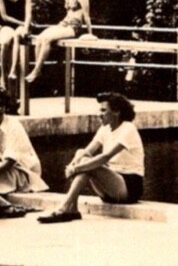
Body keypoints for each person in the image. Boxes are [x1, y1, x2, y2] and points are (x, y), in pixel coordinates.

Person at [36, 91, 144, 223]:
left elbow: (106, 156)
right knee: (81, 154)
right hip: (110, 186)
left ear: (117, 112)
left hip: (129, 187)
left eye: (104, 110)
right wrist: (73, 164)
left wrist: (76, 169)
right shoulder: (105, 129)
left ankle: (64, 207)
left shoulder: (128, 128)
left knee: (86, 165)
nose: (99, 114)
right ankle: (72, 209)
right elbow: (87, 151)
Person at [28, 0, 92, 81]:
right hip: (65, 23)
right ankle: (38, 69)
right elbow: (68, 13)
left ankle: (36, 70)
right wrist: (59, 25)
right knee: (40, 38)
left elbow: (86, 17)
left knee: (47, 39)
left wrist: (90, 35)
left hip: (74, 26)